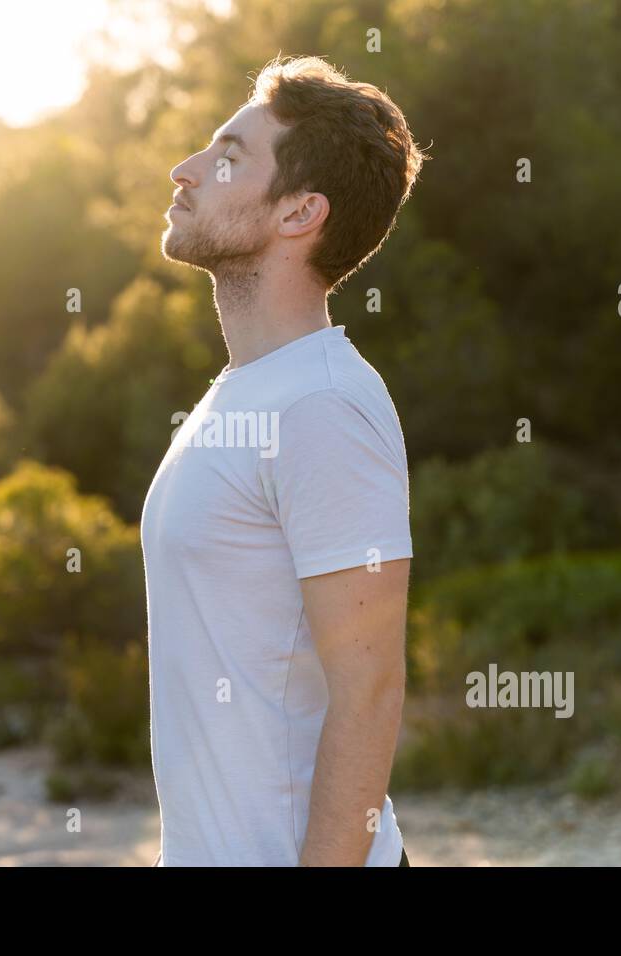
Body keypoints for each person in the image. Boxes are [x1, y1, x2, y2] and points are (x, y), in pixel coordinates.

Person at [143, 55, 425, 866]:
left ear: (301, 212)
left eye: (228, 158)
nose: (187, 170)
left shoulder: (324, 404)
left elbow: (368, 693)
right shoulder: (242, 394)